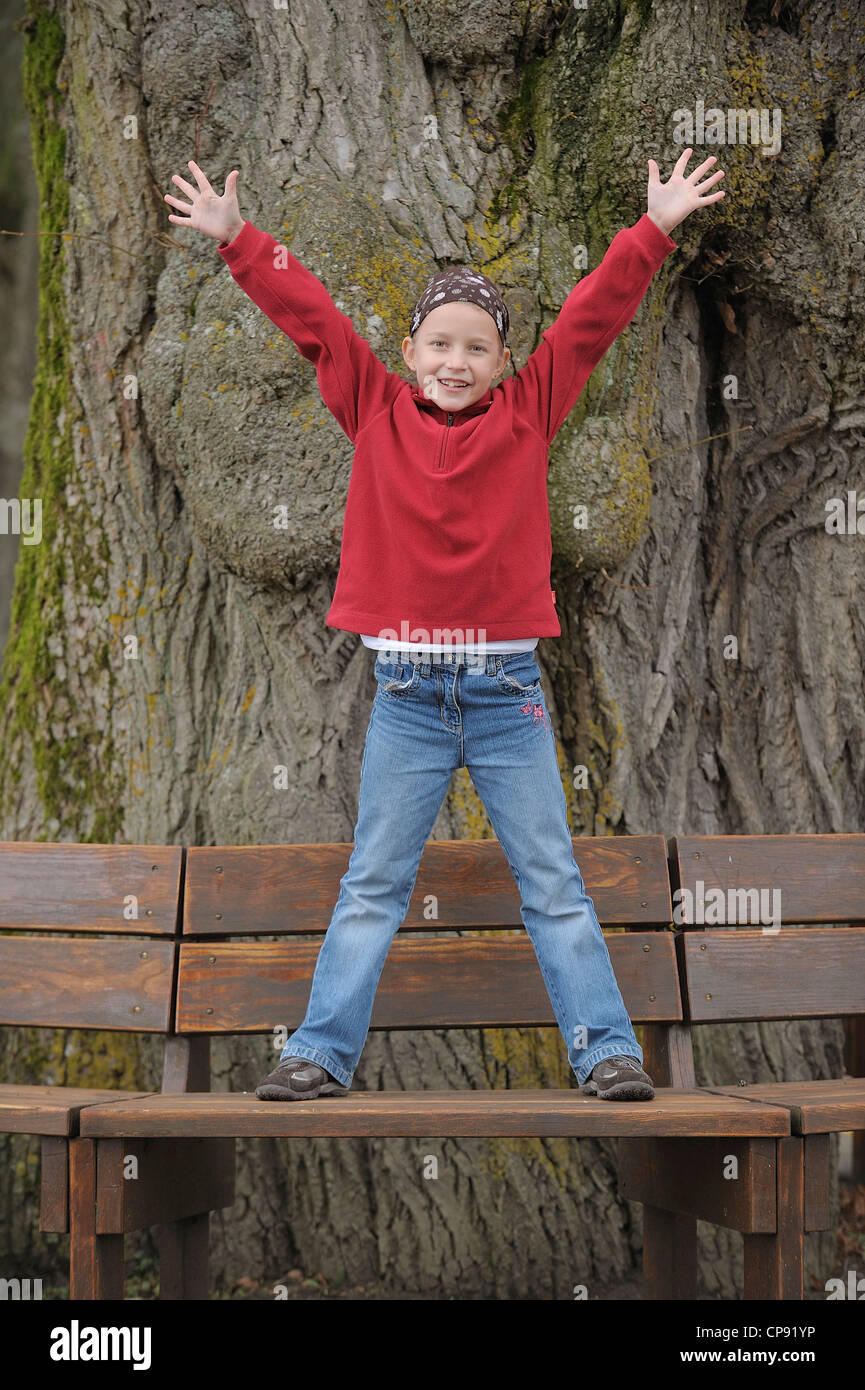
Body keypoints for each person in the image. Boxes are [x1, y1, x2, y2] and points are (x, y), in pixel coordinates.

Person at [164, 150, 725, 1103]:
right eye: (438, 345)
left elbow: (592, 319)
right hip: (408, 704)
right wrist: (237, 243)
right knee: (372, 887)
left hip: (508, 700)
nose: (455, 363)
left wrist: (655, 227)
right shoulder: (372, 407)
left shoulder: (530, 412)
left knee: (551, 884)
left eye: (475, 348)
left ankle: (605, 1051)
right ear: (411, 354)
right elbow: (316, 322)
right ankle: (319, 1053)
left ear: (503, 363)